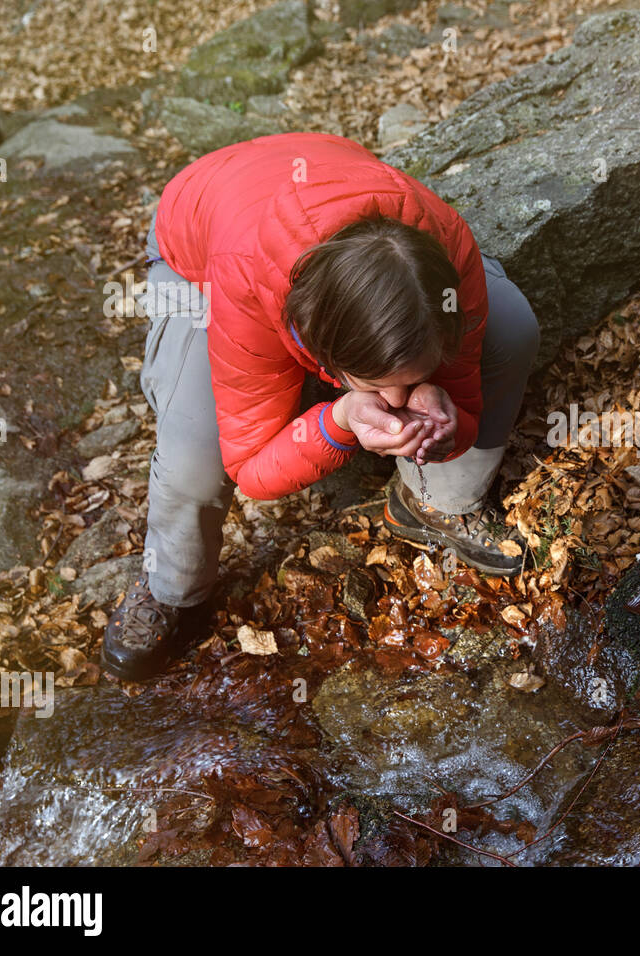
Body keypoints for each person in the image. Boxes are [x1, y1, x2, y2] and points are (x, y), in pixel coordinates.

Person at [101, 132, 539, 681]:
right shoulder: (246, 282)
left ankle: (437, 504)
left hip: (314, 181)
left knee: (513, 328)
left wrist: (448, 415)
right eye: (381, 384)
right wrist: (341, 419)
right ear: (322, 358)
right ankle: (173, 588)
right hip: (201, 246)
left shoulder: (445, 245)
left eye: (413, 379)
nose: (400, 401)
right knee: (195, 455)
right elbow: (251, 469)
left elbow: (464, 382)